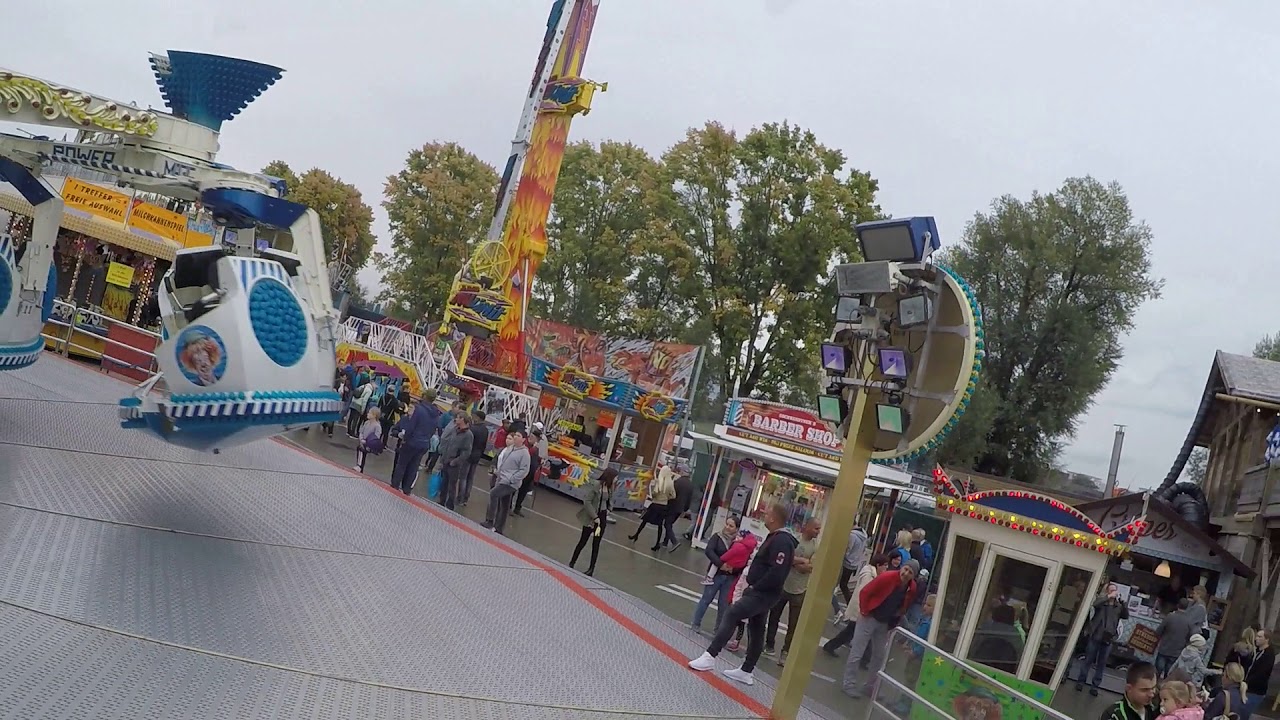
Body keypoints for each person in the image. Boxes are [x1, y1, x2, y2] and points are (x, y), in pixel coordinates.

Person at [687, 504, 797, 686]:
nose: (764, 514)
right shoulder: (776, 538)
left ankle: (710, 656)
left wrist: (756, 588)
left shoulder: (782, 541)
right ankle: (746, 670)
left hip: (763, 593)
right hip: (763, 592)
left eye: (767, 513)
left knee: (733, 612)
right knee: (756, 628)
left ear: (773, 518)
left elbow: (777, 572)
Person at [841, 558, 919, 699]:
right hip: (869, 617)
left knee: (879, 656)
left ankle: (870, 687)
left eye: (910, 572)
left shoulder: (911, 587)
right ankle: (848, 684)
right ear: (902, 568)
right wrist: (865, 611)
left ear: (913, 576)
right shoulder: (887, 577)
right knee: (857, 652)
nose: (906, 573)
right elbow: (865, 592)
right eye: (905, 569)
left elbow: (905, 604)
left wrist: (895, 619)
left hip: (884, 622)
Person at [765, 518, 821, 665]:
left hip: (800, 590)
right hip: (783, 585)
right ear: (807, 527)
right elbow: (785, 558)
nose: (818, 531)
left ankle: (785, 651)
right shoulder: (793, 540)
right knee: (773, 616)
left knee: (793, 624)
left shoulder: (816, 547)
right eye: (816, 528)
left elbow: (810, 567)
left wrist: (796, 562)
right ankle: (769, 644)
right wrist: (802, 561)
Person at [690, 517, 751, 634]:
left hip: (730, 577)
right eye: (727, 524)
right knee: (706, 599)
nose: (727, 527)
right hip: (716, 574)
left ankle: (718, 630)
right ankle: (696, 623)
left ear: (737, 528)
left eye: (731, 526)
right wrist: (720, 564)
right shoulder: (717, 537)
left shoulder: (740, 542)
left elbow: (743, 558)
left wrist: (734, 569)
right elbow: (709, 551)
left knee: (723, 605)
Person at [824, 553, 890, 656]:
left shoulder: (872, 574)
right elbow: (864, 592)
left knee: (851, 632)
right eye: (885, 565)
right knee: (859, 633)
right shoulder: (869, 575)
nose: (886, 567)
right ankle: (865, 658)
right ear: (878, 565)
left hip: (861, 609)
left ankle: (831, 646)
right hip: (860, 609)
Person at [1075, 582, 1130, 695]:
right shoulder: (1102, 603)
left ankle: (1095, 686)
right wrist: (1107, 597)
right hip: (1096, 635)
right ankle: (1081, 681)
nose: (1114, 592)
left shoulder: (1118, 606)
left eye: (1115, 590)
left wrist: (1124, 603)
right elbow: (1094, 604)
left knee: (1102, 663)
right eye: (1111, 590)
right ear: (1107, 591)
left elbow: (1126, 616)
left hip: (1108, 638)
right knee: (1088, 659)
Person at [569, 468, 616, 576]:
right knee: (583, 540)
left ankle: (591, 568)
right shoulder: (596, 485)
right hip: (592, 518)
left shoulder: (609, 488)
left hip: (602, 517)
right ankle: (572, 561)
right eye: (615, 478)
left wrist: (609, 509)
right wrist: (595, 517)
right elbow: (587, 501)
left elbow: (611, 500)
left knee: (596, 542)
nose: (616, 480)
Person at [389, 397, 441, 495]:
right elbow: (433, 429)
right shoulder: (434, 414)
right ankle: (406, 488)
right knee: (413, 466)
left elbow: (411, 427)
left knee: (402, 464)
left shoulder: (419, 411)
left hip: (411, 441)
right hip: (423, 443)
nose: (410, 409)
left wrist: (405, 437)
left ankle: (395, 485)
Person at [484, 429, 530, 535]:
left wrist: (511, 479)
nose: (516, 437)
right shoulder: (511, 448)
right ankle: (499, 527)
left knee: (494, 494)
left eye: (518, 435)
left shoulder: (524, 453)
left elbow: (524, 470)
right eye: (515, 435)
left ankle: (490, 520)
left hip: (510, 482)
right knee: (505, 504)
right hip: (501, 478)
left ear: (523, 439)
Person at [630, 463, 676, 550]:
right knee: (659, 525)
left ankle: (636, 535)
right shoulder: (670, 483)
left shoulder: (660, 482)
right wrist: (666, 497)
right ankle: (657, 543)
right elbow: (673, 496)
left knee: (644, 521)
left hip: (655, 504)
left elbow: (654, 493)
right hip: (664, 506)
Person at [436, 412, 474, 510]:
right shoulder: (455, 430)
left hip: (454, 463)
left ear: (462, 420)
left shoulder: (468, 435)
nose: (455, 420)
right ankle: (442, 500)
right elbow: (448, 443)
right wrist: (443, 458)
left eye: (457, 418)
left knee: (451, 485)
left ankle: (450, 504)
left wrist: (456, 461)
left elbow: (466, 451)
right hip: (447, 459)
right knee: (444, 482)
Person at [1156, 599, 1197, 678]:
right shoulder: (1189, 621)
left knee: (1157, 672)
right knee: (1169, 675)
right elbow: (1191, 638)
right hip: (1177, 652)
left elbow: (1158, 631)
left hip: (1164, 648)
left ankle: (1155, 687)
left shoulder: (1170, 617)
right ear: (1187, 607)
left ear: (1177, 605)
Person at [1240, 629, 1274, 719]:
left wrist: (1246, 682)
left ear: (1267, 639)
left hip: (1255, 690)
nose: (1256, 638)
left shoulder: (1269, 655)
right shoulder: (1256, 651)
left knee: (1244, 713)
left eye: (1259, 637)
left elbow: (1261, 673)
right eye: (1257, 636)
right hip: (1245, 686)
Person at [512, 425, 543, 517]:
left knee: (523, 491)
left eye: (535, 439)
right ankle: (509, 506)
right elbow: (526, 454)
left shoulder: (535, 447)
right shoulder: (525, 445)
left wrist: (540, 460)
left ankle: (518, 507)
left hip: (530, 473)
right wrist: (534, 449)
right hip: (522, 471)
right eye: (532, 437)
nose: (533, 439)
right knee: (514, 489)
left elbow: (535, 458)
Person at [461, 410, 489, 508]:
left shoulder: (473, 428)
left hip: (469, 454)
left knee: (463, 477)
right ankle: (466, 497)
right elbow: (484, 444)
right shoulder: (485, 429)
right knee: (470, 477)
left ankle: (461, 496)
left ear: (477, 417)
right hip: (477, 455)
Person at [665, 464, 694, 552]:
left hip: (673, 506)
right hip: (680, 509)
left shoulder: (677, 482)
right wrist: (685, 510)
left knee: (667, 524)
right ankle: (665, 542)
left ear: (682, 471)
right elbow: (689, 499)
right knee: (670, 524)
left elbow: (671, 494)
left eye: (680, 470)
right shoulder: (690, 485)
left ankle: (674, 542)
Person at [839, 524, 869, 605]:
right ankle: (850, 603)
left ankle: (850, 603)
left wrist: (844, 555)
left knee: (842, 584)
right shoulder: (864, 535)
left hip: (847, 562)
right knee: (843, 584)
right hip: (854, 563)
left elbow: (848, 549)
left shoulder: (852, 535)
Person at [353, 407, 383, 473]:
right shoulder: (366, 422)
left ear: (374, 415)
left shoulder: (377, 426)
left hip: (370, 443)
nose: (367, 414)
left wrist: (367, 442)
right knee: (360, 448)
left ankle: (359, 466)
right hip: (363, 440)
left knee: (362, 449)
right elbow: (361, 431)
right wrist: (361, 438)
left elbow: (376, 437)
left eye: (369, 413)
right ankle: (359, 465)